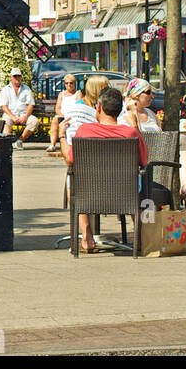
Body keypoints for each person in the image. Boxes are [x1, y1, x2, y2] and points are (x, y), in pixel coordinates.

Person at [63, 86, 147, 254]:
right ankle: (140, 239)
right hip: (125, 192)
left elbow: (70, 160)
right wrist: (136, 127)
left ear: (99, 107)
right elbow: (144, 161)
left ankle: (87, 237)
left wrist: (60, 136)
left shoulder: (84, 131)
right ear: (120, 109)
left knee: (71, 182)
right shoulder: (130, 133)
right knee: (137, 184)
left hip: (89, 192)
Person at [60, 74, 109, 153]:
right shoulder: (79, 108)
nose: (108, 92)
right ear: (96, 90)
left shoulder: (101, 104)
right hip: (85, 151)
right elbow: (73, 136)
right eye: (105, 89)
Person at [0, 67, 38, 148]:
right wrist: (13, 117)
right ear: (11, 77)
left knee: (34, 121)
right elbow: (4, 106)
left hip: (23, 114)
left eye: (19, 76)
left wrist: (25, 116)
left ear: (21, 77)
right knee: (6, 122)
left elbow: (31, 104)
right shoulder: (5, 90)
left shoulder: (27, 89)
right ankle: (7, 145)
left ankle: (19, 141)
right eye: (15, 76)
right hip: (10, 115)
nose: (17, 78)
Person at [49, 74, 81, 156]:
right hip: (62, 116)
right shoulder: (61, 94)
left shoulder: (78, 93)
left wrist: (69, 117)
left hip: (73, 116)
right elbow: (57, 108)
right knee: (54, 120)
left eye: (71, 83)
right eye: (67, 83)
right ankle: (52, 145)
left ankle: (71, 145)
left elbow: (78, 106)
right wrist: (62, 115)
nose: (69, 85)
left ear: (74, 83)